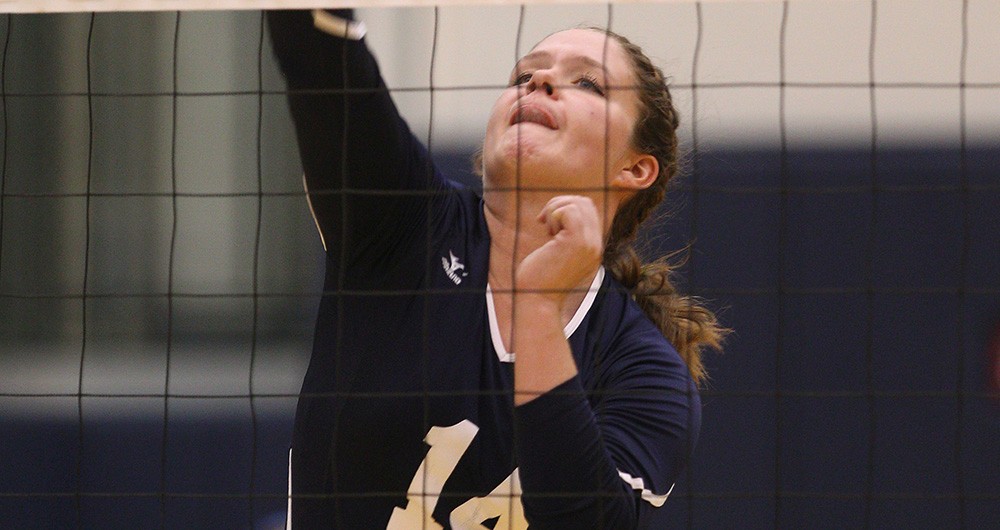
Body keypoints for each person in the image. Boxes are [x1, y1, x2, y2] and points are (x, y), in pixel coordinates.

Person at [267, 8, 725, 529]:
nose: (541, 81)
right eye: (523, 75)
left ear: (635, 168)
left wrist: (536, 305)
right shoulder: (404, 226)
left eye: (588, 83)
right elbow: (320, 52)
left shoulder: (645, 374)